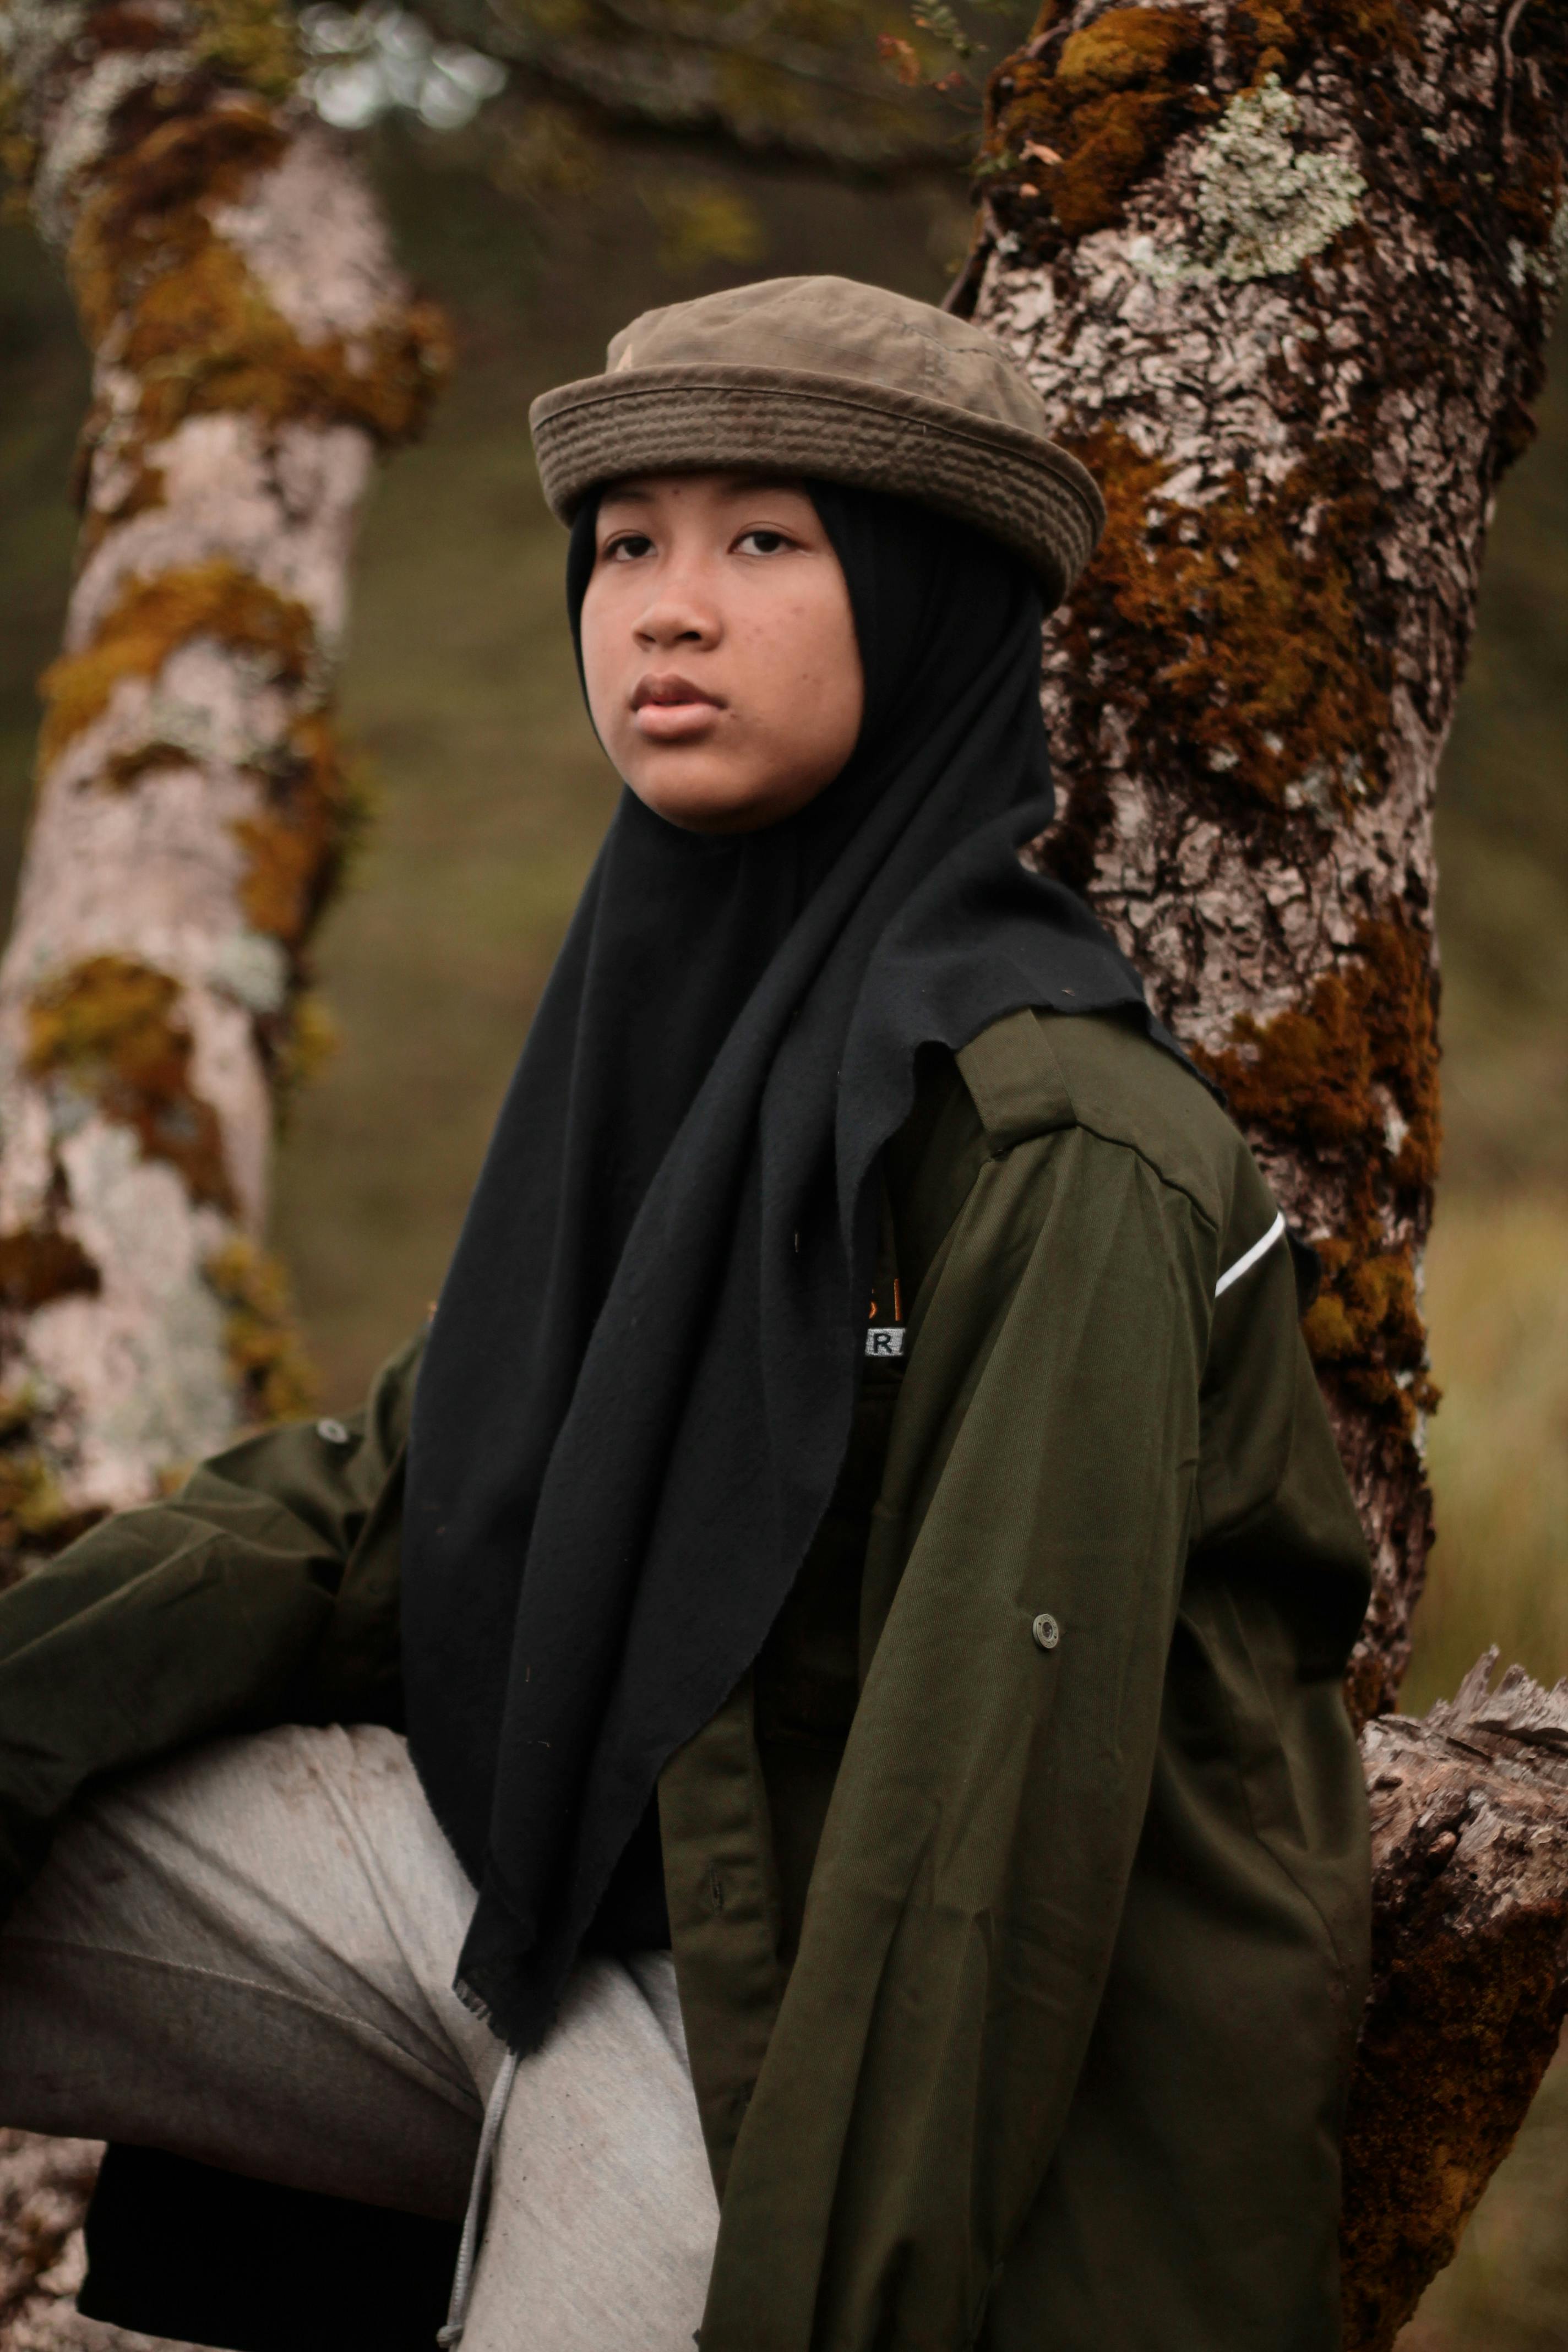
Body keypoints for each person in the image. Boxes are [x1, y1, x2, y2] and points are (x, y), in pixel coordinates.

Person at [0, 275, 1372, 2352]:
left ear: (922, 605)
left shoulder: (1058, 1149)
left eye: (763, 540)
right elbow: (402, 1491)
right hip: (527, 1890)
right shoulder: (663, 1027)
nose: (665, 605)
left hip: (790, 2047)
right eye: (628, 541)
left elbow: (965, 1859)